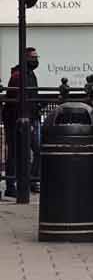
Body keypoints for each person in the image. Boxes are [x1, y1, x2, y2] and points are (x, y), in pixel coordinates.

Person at [4, 47, 40, 198]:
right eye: (33, 57)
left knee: (35, 150)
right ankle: (12, 186)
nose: (36, 60)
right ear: (26, 58)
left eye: (37, 57)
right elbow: (17, 99)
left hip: (26, 117)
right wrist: (27, 119)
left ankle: (29, 181)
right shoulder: (19, 75)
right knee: (14, 153)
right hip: (18, 119)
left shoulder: (29, 74)